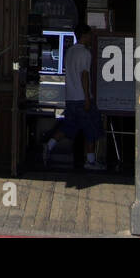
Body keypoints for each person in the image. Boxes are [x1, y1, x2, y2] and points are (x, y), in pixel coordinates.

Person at [43, 24, 105, 171]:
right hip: (81, 98)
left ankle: (49, 145)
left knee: (69, 126)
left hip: (70, 98)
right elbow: (84, 75)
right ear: (84, 35)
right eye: (89, 35)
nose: (91, 38)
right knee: (91, 129)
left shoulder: (70, 51)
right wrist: (87, 98)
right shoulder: (85, 53)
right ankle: (90, 161)